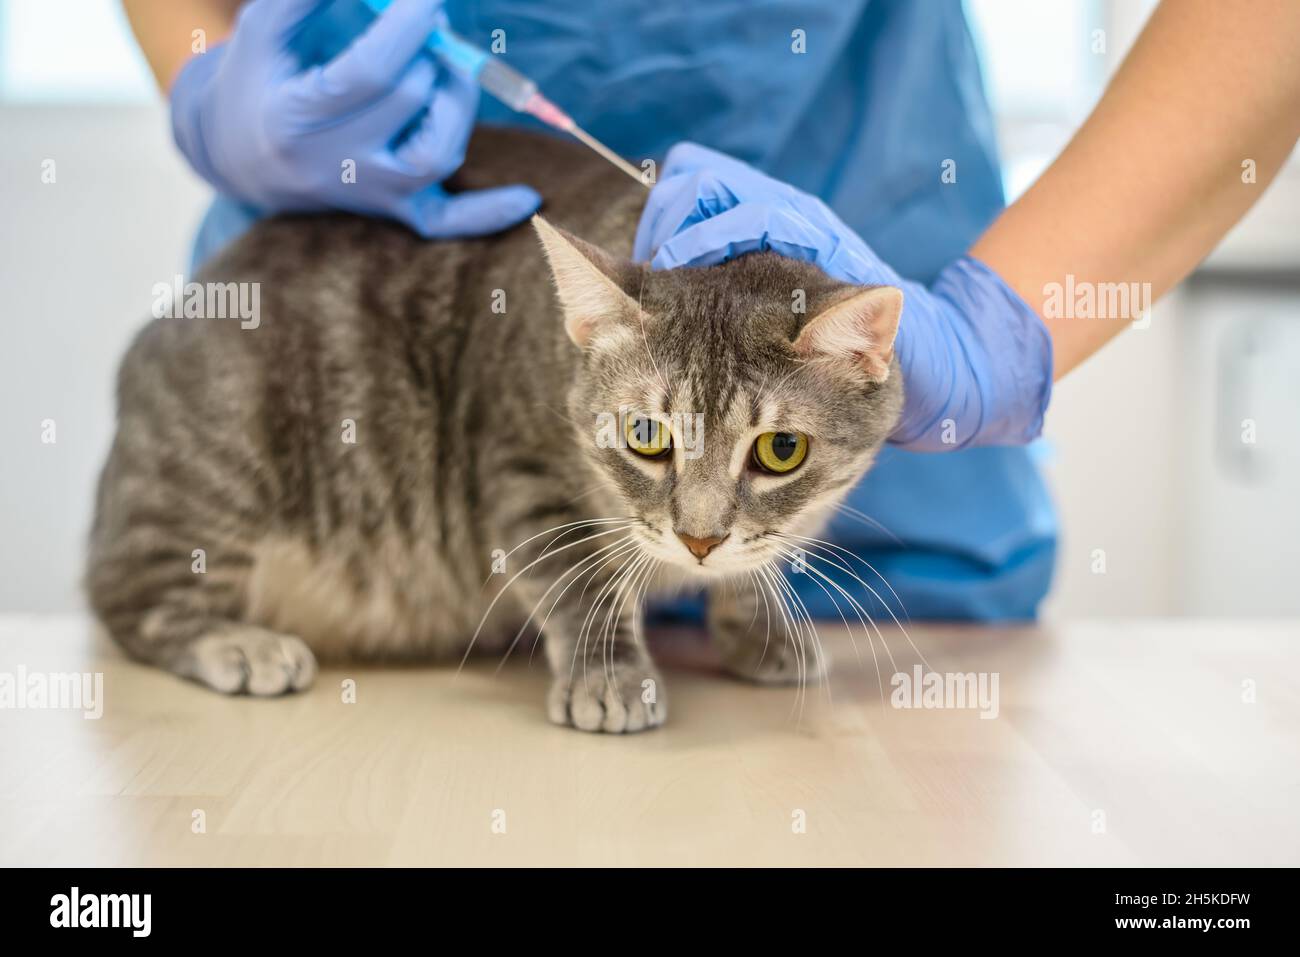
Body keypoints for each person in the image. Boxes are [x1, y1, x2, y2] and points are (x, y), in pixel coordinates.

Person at [124, 0, 1300, 621]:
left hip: (883, 511)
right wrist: (205, 69)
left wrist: (998, 329)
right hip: (364, 356)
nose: (697, 522)